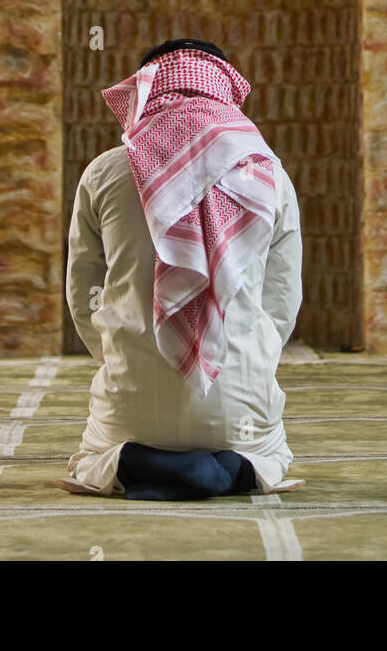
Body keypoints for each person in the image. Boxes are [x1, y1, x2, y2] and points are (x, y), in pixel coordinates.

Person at [60, 38, 304, 500]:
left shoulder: (103, 172)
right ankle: (234, 466)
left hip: (130, 409)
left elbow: (82, 296)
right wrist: (251, 355)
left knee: (95, 457)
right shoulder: (269, 173)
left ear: (144, 92)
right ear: (223, 91)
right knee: (268, 453)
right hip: (241, 414)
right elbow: (282, 299)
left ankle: (137, 461)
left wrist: (123, 356)